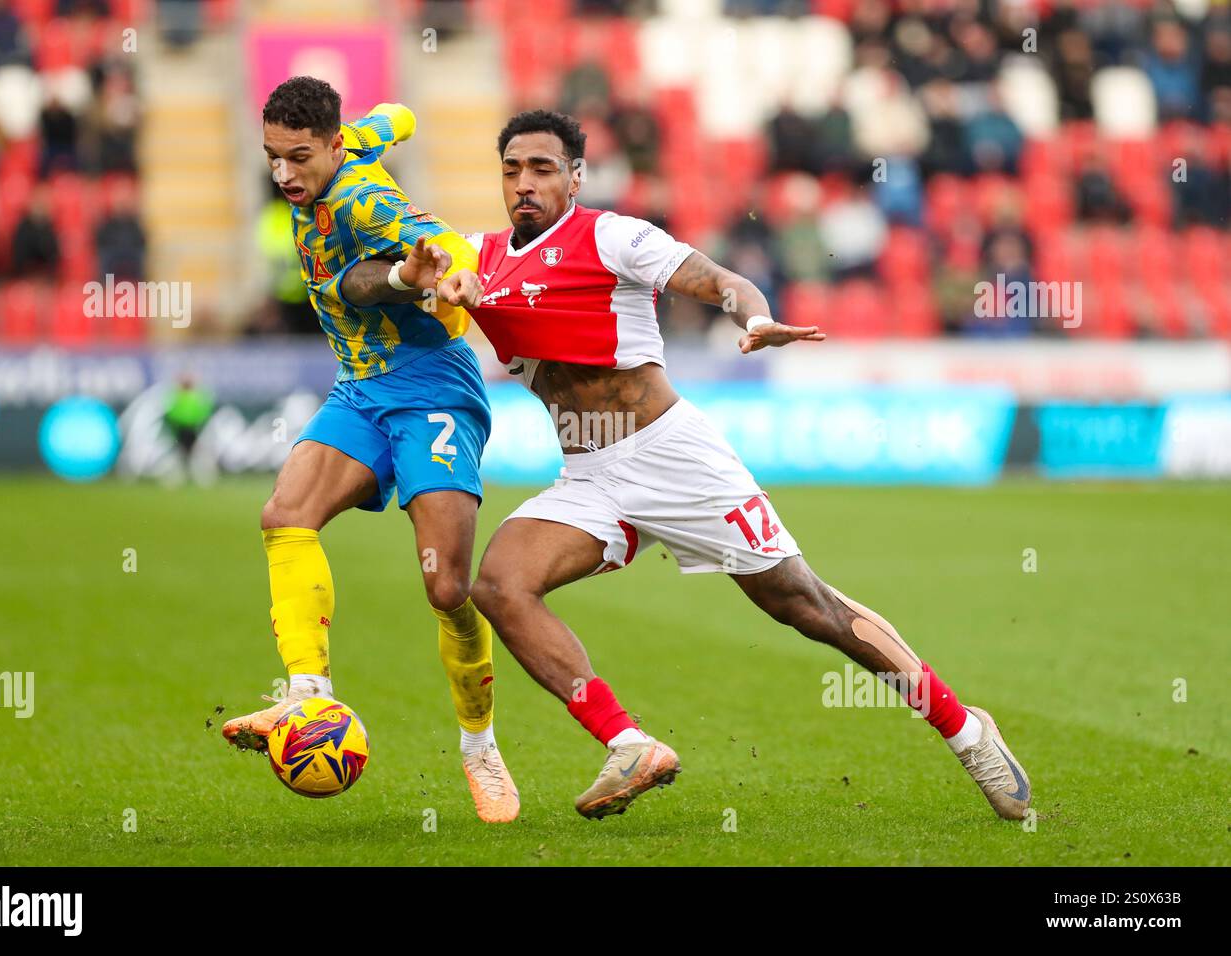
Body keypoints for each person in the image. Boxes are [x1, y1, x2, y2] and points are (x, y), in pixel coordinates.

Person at [351, 110, 1032, 821]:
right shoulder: (474, 255)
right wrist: (406, 275)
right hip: (590, 474)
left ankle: (966, 730)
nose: (525, 183)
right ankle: (627, 744)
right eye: (512, 169)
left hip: (674, 457)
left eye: (543, 168)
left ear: (576, 178)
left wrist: (755, 317)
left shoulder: (612, 236)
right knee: (500, 584)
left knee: (805, 606)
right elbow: (360, 282)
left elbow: (720, 282)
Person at [221, 77, 518, 824]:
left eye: (298, 158)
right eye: (271, 157)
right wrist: (400, 118)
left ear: (330, 146)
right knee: (284, 513)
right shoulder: (356, 139)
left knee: (448, 589)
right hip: (360, 387)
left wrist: (449, 273)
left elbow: (438, 236)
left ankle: (480, 748)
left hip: (431, 391)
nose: (283, 175)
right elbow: (398, 118)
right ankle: (305, 695)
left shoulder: (362, 200)